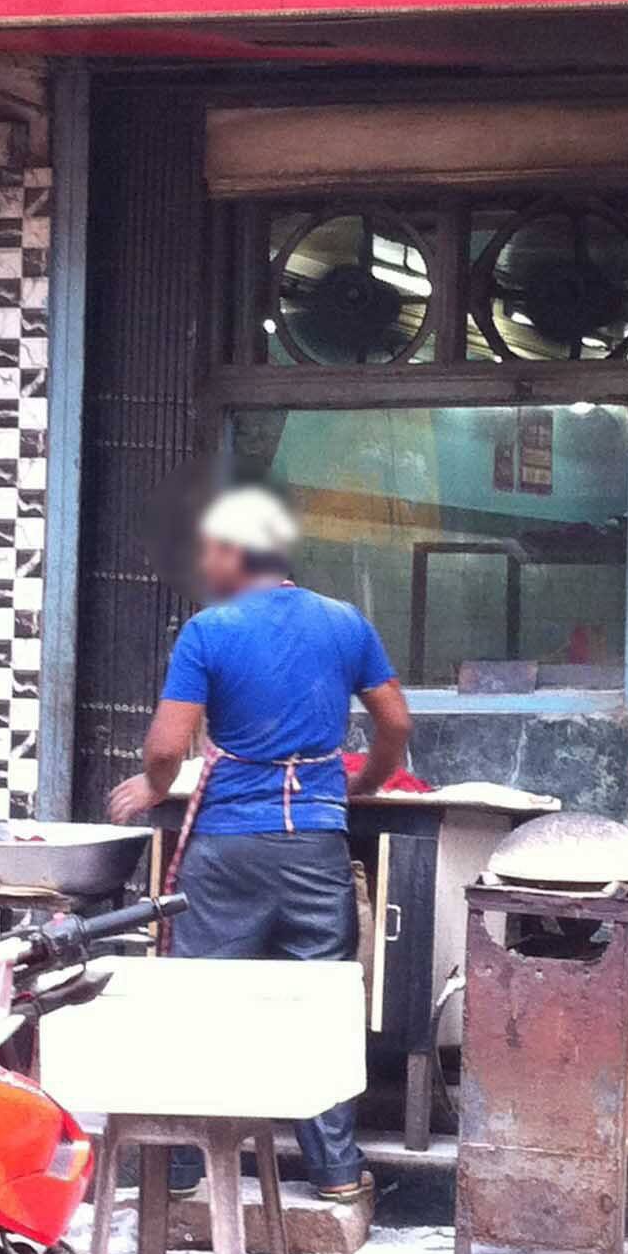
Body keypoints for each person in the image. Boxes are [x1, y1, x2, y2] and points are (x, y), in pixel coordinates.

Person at [108, 487, 413, 1201]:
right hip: (314, 845)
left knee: (205, 1003)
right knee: (319, 1004)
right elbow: (395, 724)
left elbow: (165, 746)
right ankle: (337, 1175)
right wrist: (361, 781)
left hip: (227, 850)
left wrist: (156, 787)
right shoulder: (344, 623)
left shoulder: (209, 631)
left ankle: (184, 1170)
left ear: (237, 552)